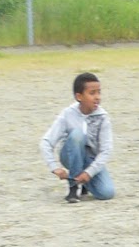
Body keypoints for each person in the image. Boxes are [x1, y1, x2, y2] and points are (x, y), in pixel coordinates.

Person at [38, 71, 115, 202]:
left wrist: (89, 172)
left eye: (99, 92)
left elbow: (106, 150)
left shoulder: (103, 117)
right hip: (69, 155)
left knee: (106, 193)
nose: (97, 97)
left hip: (90, 160)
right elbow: (46, 142)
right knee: (77, 135)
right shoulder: (67, 114)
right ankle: (73, 187)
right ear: (79, 96)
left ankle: (84, 182)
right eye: (92, 93)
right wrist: (54, 167)